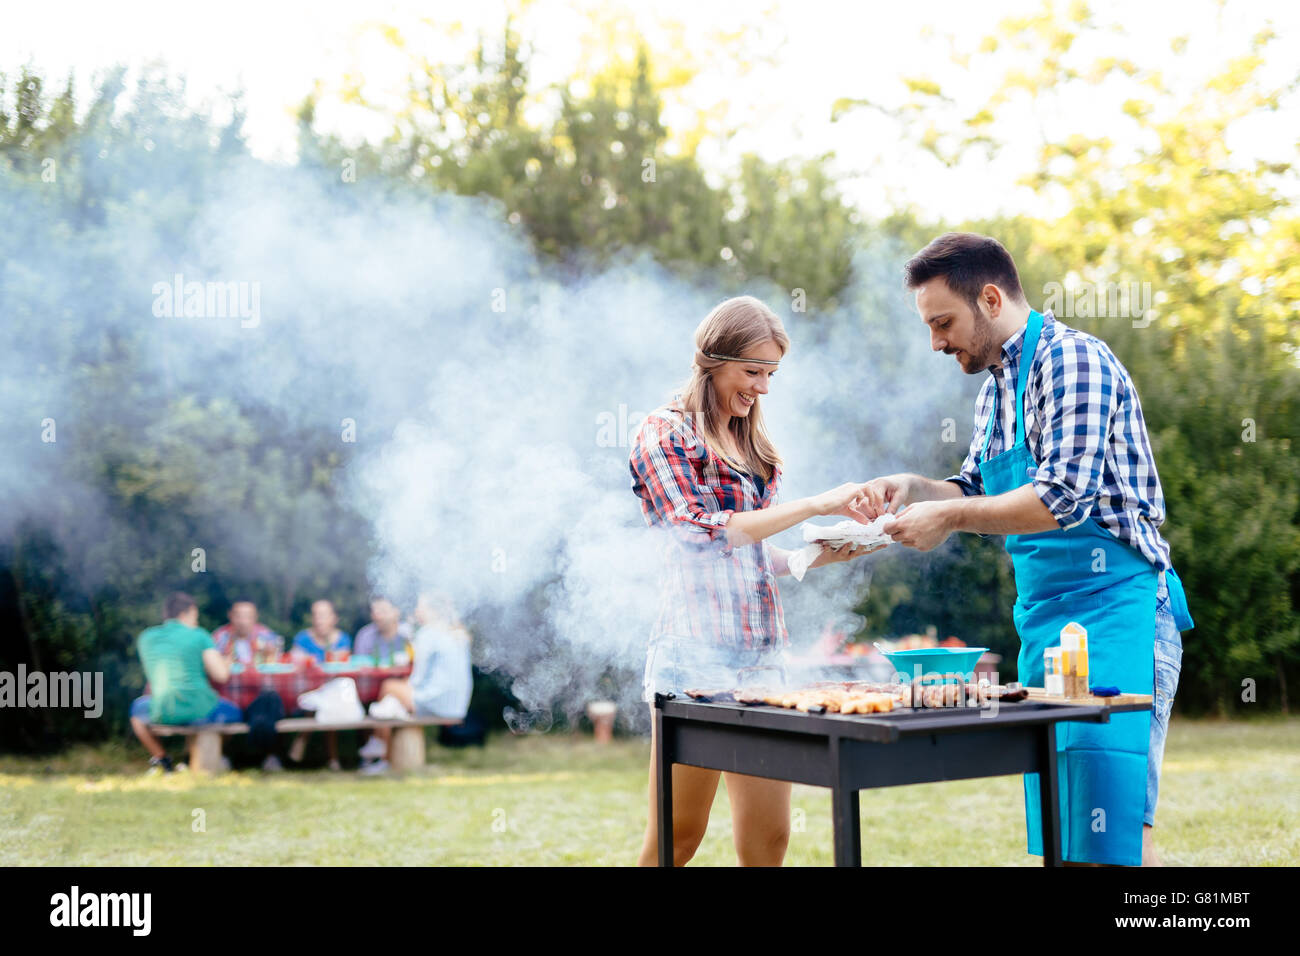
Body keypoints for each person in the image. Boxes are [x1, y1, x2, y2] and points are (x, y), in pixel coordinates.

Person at [854, 233, 1194, 867]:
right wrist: (914, 488)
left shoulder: (1075, 363)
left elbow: (1061, 498)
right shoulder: (994, 390)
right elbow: (975, 486)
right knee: (1063, 833)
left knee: (1108, 838)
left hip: (1116, 615)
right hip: (1047, 628)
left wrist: (950, 515)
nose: (936, 342)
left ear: (989, 298)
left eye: (942, 323)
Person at [629, 295, 879, 866]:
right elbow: (699, 535)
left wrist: (814, 555)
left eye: (771, 374)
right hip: (693, 659)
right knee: (677, 839)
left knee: (770, 841)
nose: (763, 387)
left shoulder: (751, 444)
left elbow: (747, 550)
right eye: (752, 372)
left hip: (762, 659)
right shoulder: (663, 433)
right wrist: (815, 504)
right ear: (712, 360)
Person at [360, 593, 473, 774]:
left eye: (420, 607)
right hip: (457, 703)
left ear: (432, 611)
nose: (415, 611)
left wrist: (405, 684)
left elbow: (418, 678)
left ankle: (379, 747)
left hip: (435, 702)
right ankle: (381, 746)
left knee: (389, 686)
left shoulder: (429, 633)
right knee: (393, 700)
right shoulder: (455, 631)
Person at [129, 592, 239, 773]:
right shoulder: (199, 635)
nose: (196, 620)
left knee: (136, 711)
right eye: (196, 615)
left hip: (162, 707)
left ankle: (162, 760)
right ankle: (193, 758)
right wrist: (226, 664)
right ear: (189, 612)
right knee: (235, 713)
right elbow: (220, 675)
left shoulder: (146, 637)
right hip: (199, 708)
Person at [287, 600, 352, 770]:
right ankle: (332, 759)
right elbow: (295, 664)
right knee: (319, 702)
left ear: (334, 618)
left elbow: (343, 667)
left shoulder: (342, 639)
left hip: (333, 690)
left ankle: (303, 739)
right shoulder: (302, 638)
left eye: (323, 615)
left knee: (328, 701)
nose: (319, 620)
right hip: (306, 691)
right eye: (316, 615)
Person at [211, 599, 283, 665]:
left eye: (248, 616)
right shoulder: (220, 636)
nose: (243, 621)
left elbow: (278, 660)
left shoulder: (267, 635)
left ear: (256, 616)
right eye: (238, 616)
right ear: (230, 615)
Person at [353, 597, 412, 664]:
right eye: (374, 612)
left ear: (396, 612)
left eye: (383, 611)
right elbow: (359, 666)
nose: (378, 616)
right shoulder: (365, 636)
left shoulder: (408, 633)